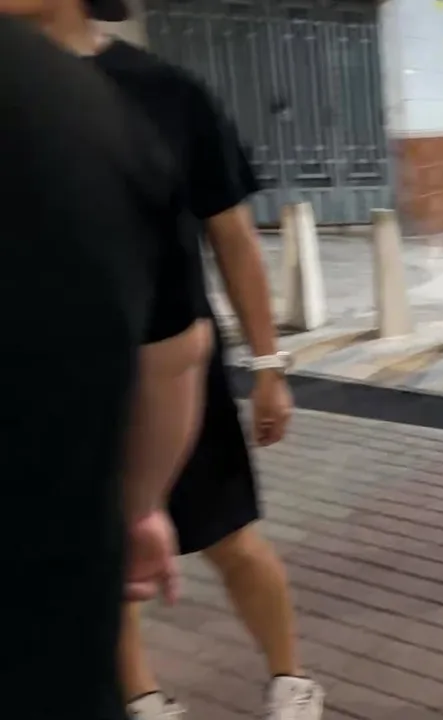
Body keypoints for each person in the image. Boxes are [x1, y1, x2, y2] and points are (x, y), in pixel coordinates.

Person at [12, 1, 323, 718]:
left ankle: (291, 679)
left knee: (231, 538)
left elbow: (233, 238)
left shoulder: (167, 92)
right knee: (102, 559)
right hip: (59, 381)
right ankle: (145, 697)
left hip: (175, 368)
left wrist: (269, 367)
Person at [1, 14, 212, 720]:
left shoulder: (156, 90)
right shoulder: (88, 109)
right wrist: (138, 504)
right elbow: (176, 355)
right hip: (48, 608)